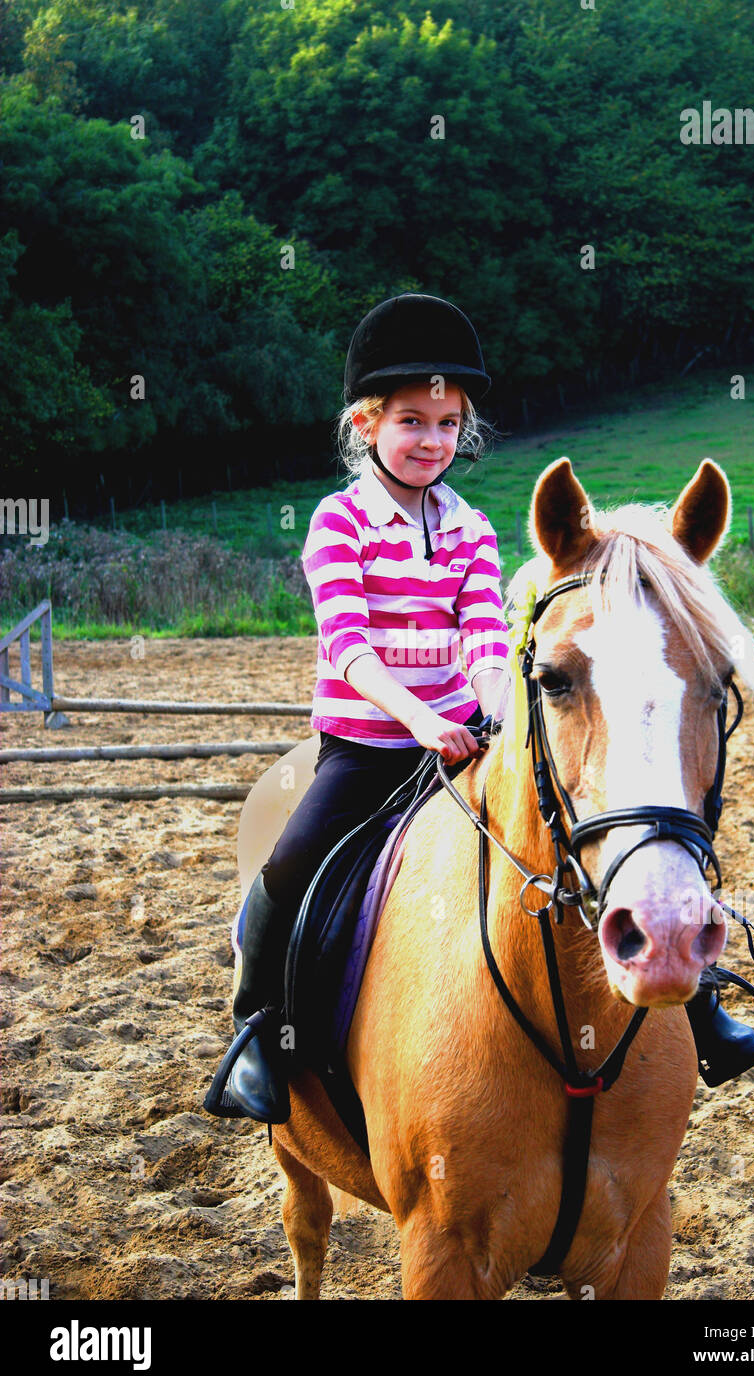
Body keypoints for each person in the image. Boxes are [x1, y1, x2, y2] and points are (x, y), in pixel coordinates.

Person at [204, 293, 512, 1124]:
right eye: (413, 421)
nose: (433, 441)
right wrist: (419, 720)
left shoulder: (472, 528)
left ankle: (695, 1009)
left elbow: (486, 639)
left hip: (461, 744)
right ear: (366, 423)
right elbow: (351, 649)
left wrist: (495, 710)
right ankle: (253, 1036)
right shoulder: (338, 522)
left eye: (448, 424)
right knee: (286, 870)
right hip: (368, 748)